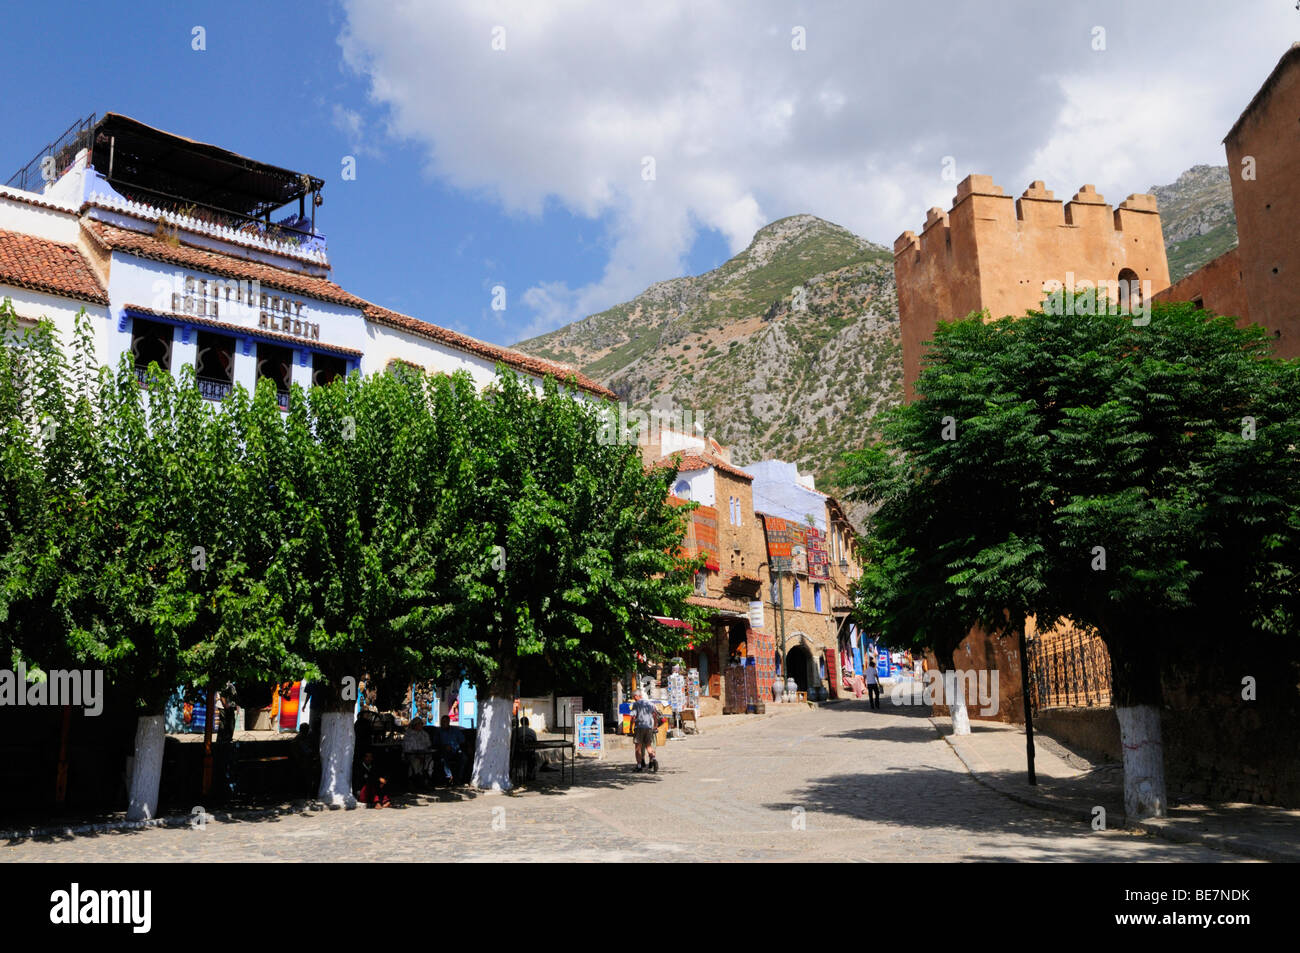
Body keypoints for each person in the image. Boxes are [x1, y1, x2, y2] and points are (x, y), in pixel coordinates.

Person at [631, 689, 660, 773]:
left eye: (634, 697)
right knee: (648, 746)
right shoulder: (650, 704)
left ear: (636, 696)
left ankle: (639, 766)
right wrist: (654, 726)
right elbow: (655, 715)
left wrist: (630, 727)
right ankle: (653, 758)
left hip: (639, 727)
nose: (633, 698)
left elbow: (633, 717)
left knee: (638, 748)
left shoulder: (636, 704)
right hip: (649, 727)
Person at [435, 714, 467, 785]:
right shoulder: (439, 732)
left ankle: (459, 778)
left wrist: (460, 747)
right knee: (443, 759)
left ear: (449, 722)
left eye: (445, 721)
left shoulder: (455, 730)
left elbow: (462, 740)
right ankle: (449, 777)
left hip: (456, 750)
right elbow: (436, 743)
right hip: (444, 751)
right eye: (442, 722)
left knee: (463, 758)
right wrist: (444, 746)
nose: (443, 723)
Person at [402, 716, 433, 784]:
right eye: (418, 724)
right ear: (414, 725)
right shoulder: (408, 734)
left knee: (430, 762)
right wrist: (418, 755)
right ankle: (413, 780)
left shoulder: (424, 734)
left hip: (424, 755)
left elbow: (428, 745)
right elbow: (407, 748)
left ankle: (426, 780)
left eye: (421, 724)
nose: (420, 726)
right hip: (412, 755)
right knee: (415, 763)